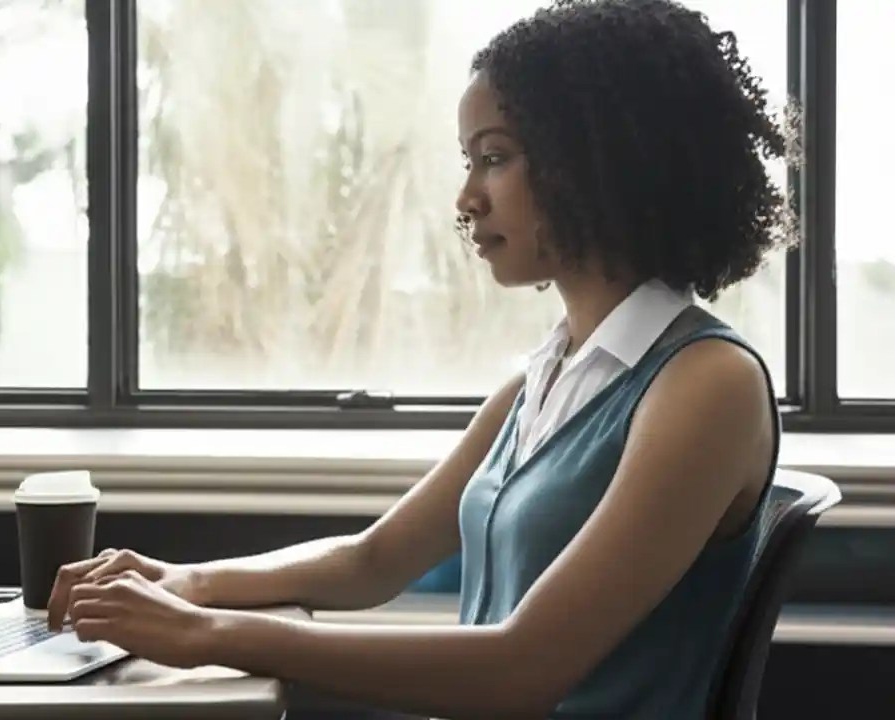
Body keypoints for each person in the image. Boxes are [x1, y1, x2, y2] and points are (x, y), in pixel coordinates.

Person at [46, 1, 794, 717]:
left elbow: (521, 669)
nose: (466, 197)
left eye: (493, 158)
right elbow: (373, 561)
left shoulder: (707, 384)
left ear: (594, 162)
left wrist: (205, 635)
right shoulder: (545, 379)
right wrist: (184, 583)